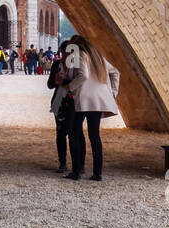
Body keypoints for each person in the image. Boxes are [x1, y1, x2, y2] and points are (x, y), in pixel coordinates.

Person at [64, 34, 120, 182]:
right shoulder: (98, 57)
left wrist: (69, 87)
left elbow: (83, 75)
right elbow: (115, 72)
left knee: (74, 134)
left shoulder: (80, 55)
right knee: (94, 136)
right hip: (98, 100)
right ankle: (97, 173)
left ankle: (76, 171)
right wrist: (113, 93)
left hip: (84, 99)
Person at [47, 42, 75, 174]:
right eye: (64, 52)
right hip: (59, 102)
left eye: (69, 52)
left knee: (73, 133)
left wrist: (63, 82)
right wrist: (56, 80)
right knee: (60, 133)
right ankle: (62, 162)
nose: (66, 55)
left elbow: (79, 83)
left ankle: (78, 164)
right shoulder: (56, 64)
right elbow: (50, 85)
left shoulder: (76, 65)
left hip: (73, 102)